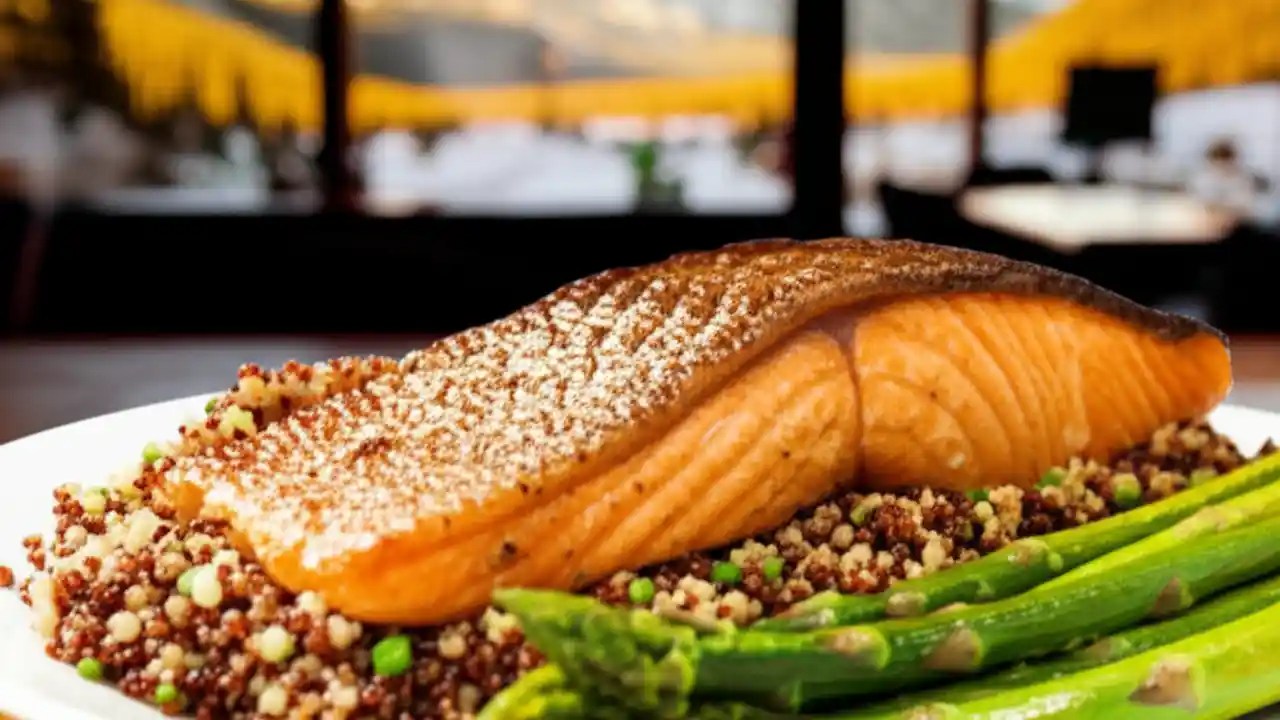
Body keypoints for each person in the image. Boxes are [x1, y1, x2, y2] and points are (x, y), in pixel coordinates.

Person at [1186, 138, 1262, 216]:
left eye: (1225, 160)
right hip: (1206, 222)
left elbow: (1247, 206)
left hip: (1238, 223)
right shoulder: (1202, 179)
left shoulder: (1242, 180)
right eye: (1218, 160)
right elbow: (1195, 203)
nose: (1222, 166)